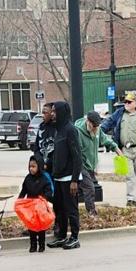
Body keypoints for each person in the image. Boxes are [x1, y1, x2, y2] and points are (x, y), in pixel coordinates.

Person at [104, 92, 136, 208]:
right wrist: (100, 130)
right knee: (130, 176)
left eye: (129, 102)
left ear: (135, 103)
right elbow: (109, 122)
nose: (126, 104)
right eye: (125, 101)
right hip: (125, 150)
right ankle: (131, 199)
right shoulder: (120, 113)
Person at [43, 101, 83, 250]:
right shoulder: (58, 129)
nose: (52, 113)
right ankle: (61, 236)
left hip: (69, 178)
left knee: (71, 209)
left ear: (61, 112)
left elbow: (77, 156)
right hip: (58, 177)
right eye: (51, 111)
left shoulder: (70, 130)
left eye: (54, 111)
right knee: (59, 209)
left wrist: (74, 180)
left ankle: (74, 237)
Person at [73, 110, 117, 217]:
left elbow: (105, 140)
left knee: (78, 191)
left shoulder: (97, 130)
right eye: (94, 126)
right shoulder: (78, 132)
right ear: (88, 121)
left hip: (90, 166)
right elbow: (78, 153)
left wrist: (117, 149)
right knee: (89, 188)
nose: (95, 129)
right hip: (81, 165)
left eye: (97, 126)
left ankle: (72, 212)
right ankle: (92, 213)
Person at [17, 154, 53, 253]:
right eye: (30, 166)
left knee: (41, 227)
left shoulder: (44, 179)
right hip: (30, 206)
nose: (31, 169)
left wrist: (44, 198)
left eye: (33, 166)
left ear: (39, 166)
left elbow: (49, 192)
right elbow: (24, 191)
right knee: (31, 226)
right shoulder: (28, 178)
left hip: (40, 207)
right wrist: (19, 201)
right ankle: (33, 244)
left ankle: (41, 244)